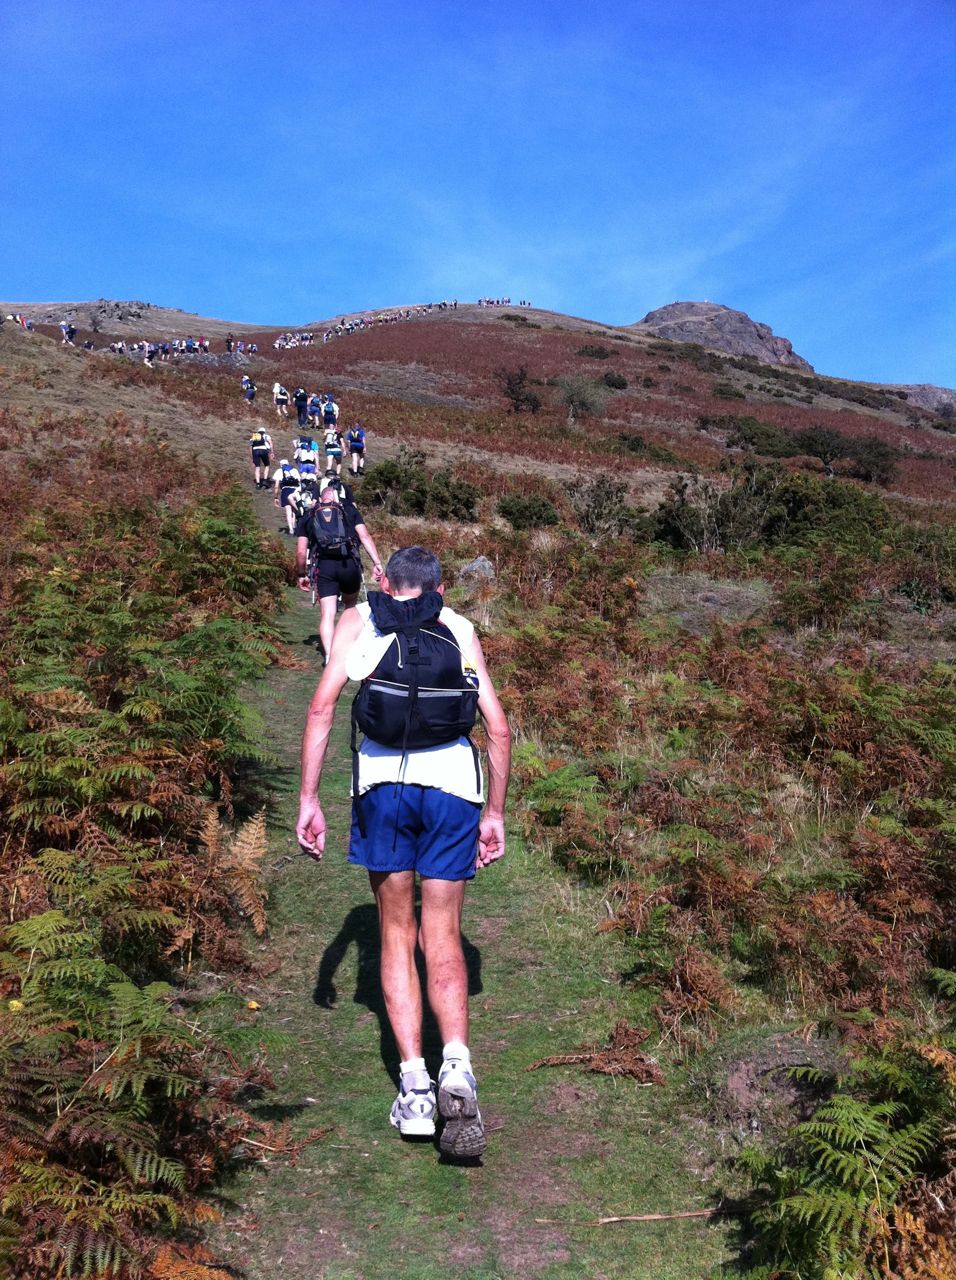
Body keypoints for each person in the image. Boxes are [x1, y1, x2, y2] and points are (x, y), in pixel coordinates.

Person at [296, 546, 511, 1157]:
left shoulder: (359, 620)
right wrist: (494, 813)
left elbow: (321, 707)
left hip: (382, 789)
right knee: (442, 933)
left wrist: (309, 799)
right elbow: (498, 729)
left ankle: (415, 1089)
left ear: (386, 584)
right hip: (453, 792)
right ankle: (458, 1068)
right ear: (440, 587)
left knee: (395, 933)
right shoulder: (459, 627)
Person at [294, 484, 383, 662]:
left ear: (321, 498)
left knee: (327, 614)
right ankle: (348, 648)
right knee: (350, 607)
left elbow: (301, 552)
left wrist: (301, 574)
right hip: (349, 565)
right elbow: (365, 536)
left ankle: (330, 656)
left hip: (324, 567)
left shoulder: (309, 515)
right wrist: (377, 563)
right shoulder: (349, 510)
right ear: (336, 497)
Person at [273, 458, 301, 534]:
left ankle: (291, 530)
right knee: (294, 510)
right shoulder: (294, 470)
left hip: (285, 491)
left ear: (281, 465)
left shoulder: (279, 471)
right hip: (295, 490)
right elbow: (299, 481)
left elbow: (276, 486)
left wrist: (276, 497)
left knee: (288, 510)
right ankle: (294, 527)